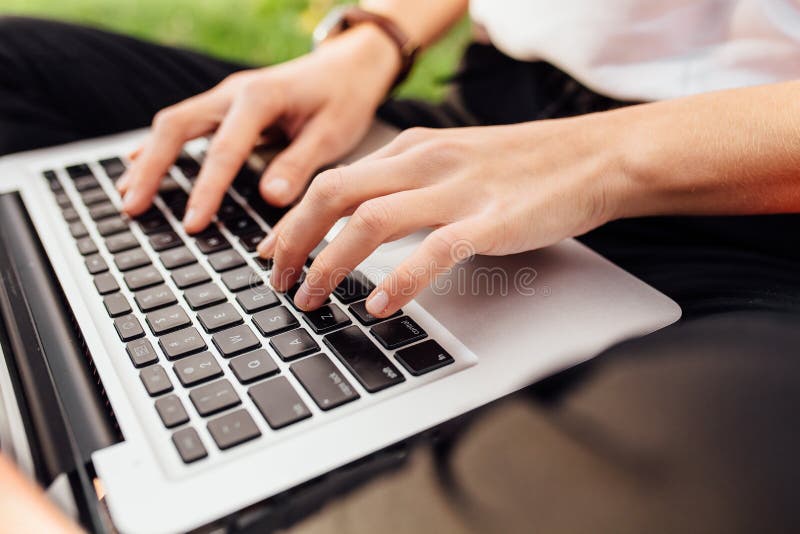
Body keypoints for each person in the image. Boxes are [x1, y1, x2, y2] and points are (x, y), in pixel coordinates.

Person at [1, 0, 800, 531]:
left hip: (749, 218)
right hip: (484, 121)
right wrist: (372, 43)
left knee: (744, 438)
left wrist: (604, 157)